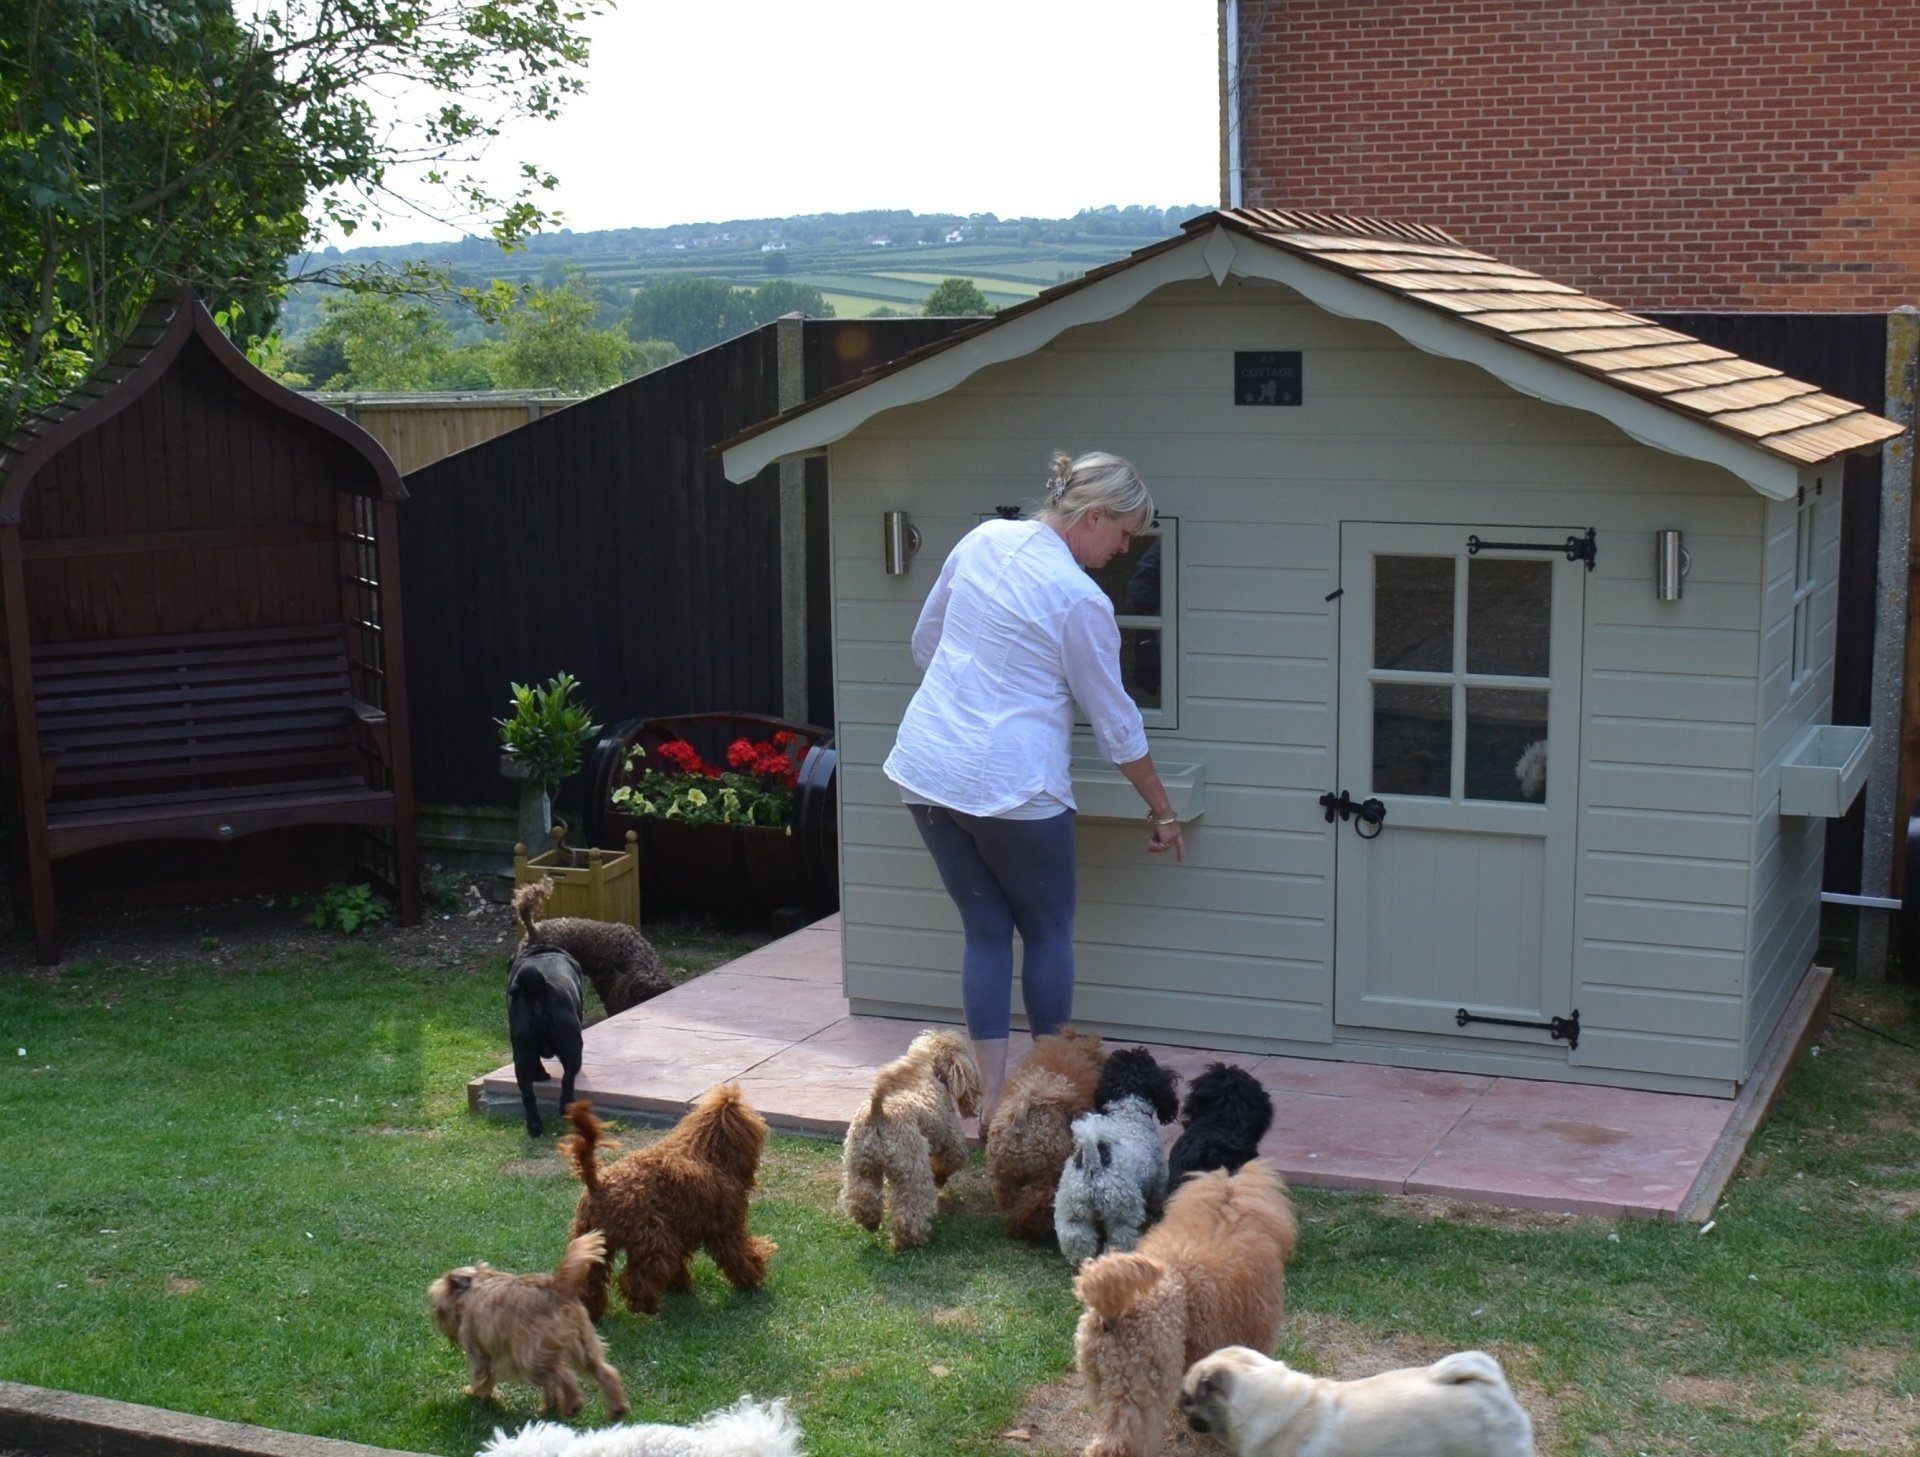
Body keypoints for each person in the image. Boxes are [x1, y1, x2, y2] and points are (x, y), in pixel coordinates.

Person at [882, 449, 1186, 1135]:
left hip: (928, 773)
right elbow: (1116, 723)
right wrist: (1162, 808)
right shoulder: (1080, 599)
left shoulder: (984, 539)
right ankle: (1043, 1106)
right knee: (1048, 930)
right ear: (1094, 515)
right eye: (1124, 532)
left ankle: (987, 1110)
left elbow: (926, 642)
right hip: (1015, 787)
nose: (1124, 548)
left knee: (986, 930)